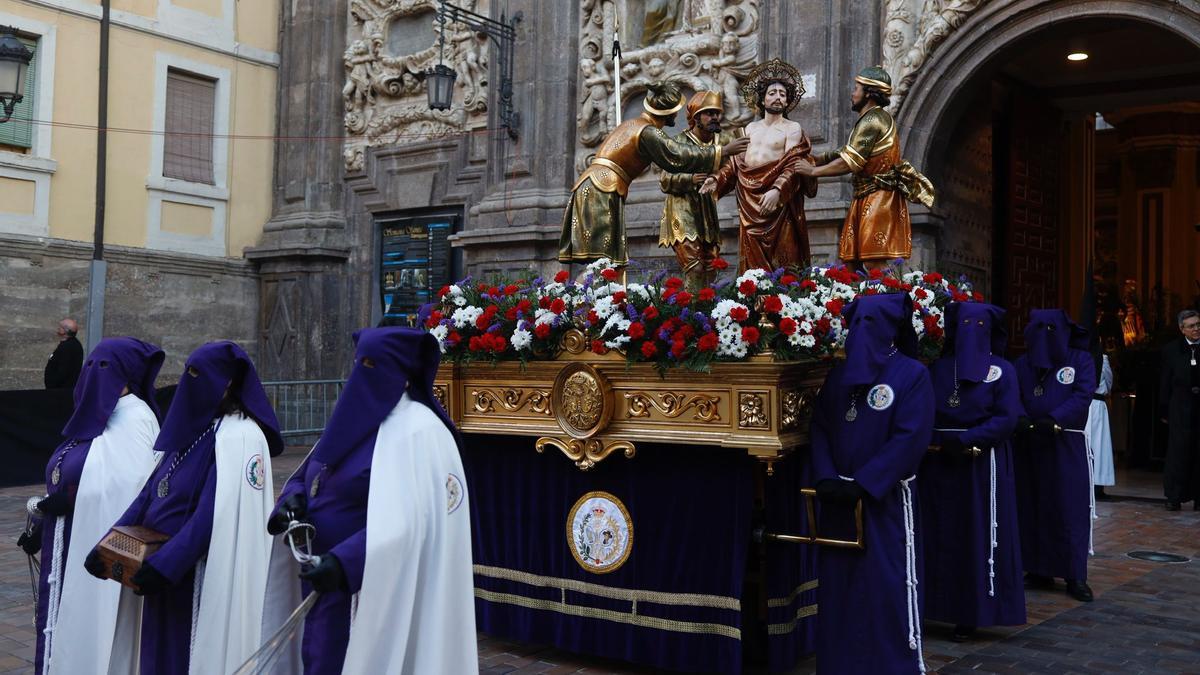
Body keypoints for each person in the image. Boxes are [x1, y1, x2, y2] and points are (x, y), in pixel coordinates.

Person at [261, 327, 476, 673]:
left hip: (365, 588)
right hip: (321, 577)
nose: (361, 373)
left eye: (372, 365)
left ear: (403, 374)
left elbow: (413, 521)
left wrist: (343, 562)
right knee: (316, 658)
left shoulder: (421, 431)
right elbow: (312, 469)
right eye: (359, 363)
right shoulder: (356, 416)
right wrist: (293, 498)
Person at [86, 341, 283, 674]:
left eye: (198, 374)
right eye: (187, 372)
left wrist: (165, 566)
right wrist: (106, 545)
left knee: (185, 658)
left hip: (194, 575)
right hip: (158, 567)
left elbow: (212, 515)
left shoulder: (240, 437)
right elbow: (150, 492)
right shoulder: (194, 429)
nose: (189, 380)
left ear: (228, 383)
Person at [18, 337, 164, 674]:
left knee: (89, 628)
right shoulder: (95, 414)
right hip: (65, 537)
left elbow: (129, 490)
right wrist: (41, 526)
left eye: (104, 366)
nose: (94, 372)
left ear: (126, 373)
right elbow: (69, 474)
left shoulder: (136, 418)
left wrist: (68, 501)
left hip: (97, 546)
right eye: (91, 365)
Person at [810, 293, 935, 674]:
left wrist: (865, 482)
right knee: (840, 586)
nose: (862, 331)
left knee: (885, 584)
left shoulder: (911, 375)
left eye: (871, 323)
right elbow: (821, 426)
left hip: (885, 500)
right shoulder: (839, 376)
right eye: (858, 323)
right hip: (839, 499)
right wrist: (826, 476)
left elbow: (910, 438)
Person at [919, 303, 1026, 643]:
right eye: (965, 323)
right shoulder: (938, 368)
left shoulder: (1003, 370)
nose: (971, 330)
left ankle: (970, 612)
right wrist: (933, 440)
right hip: (939, 463)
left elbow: (1007, 419)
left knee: (974, 536)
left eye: (979, 324)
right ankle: (934, 606)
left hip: (980, 464)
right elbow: (923, 410)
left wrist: (967, 439)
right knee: (939, 533)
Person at [558, 80, 749, 267]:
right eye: (675, 110)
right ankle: (596, 289)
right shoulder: (648, 131)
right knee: (602, 260)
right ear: (668, 112)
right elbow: (677, 155)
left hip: (598, 184)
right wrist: (723, 151)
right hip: (603, 186)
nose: (677, 114)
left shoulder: (635, 123)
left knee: (606, 260)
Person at [793, 66, 934, 269]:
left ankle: (885, 291)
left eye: (856, 88)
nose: (852, 93)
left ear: (868, 93)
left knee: (873, 262)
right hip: (866, 195)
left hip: (878, 197)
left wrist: (813, 171)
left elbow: (850, 161)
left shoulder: (873, 120)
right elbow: (848, 150)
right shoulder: (870, 118)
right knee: (852, 263)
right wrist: (820, 158)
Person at [699, 58, 818, 273]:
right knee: (752, 269)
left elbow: (793, 163)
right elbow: (737, 163)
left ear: (787, 101)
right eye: (772, 93)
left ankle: (786, 293)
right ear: (762, 99)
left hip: (778, 202)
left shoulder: (792, 128)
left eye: (783, 94)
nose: (778, 97)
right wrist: (716, 179)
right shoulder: (750, 129)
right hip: (749, 200)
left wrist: (777, 190)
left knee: (784, 259)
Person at [1012, 309, 1097, 602]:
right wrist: (1021, 417)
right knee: (1032, 504)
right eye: (1038, 328)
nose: (1044, 335)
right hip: (1030, 443)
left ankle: (1075, 574)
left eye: (1051, 329)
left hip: (1064, 443)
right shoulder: (1023, 363)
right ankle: (1038, 568)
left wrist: (1055, 418)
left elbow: (1083, 395)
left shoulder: (1080, 360)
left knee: (1068, 507)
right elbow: (1014, 394)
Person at [658, 90, 733, 290]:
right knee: (695, 267)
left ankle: (706, 309)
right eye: (709, 113)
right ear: (696, 117)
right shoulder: (679, 142)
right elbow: (665, 180)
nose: (715, 117)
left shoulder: (721, 141)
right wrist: (690, 179)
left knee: (711, 267)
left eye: (717, 113)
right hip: (682, 209)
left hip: (707, 211)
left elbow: (731, 170)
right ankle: (690, 309)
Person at [1159, 308, 1200, 511]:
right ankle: (1173, 496)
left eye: (1198, 325)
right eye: (1191, 326)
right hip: (1180, 406)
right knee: (1178, 451)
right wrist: (1164, 409)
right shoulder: (1171, 350)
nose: (1196, 329)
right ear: (1182, 329)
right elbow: (1165, 381)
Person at [1087, 348, 1115, 500]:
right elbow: (1109, 382)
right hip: (1097, 405)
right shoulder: (1102, 359)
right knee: (1099, 446)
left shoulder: (1075, 356)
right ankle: (1097, 487)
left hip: (1082, 405)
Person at [44, 318, 83, 390]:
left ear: (64, 331)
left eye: (60, 327)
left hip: (61, 391)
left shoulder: (68, 347)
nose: (58, 328)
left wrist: (53, 384)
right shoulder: (71, 344)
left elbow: (63, 371)